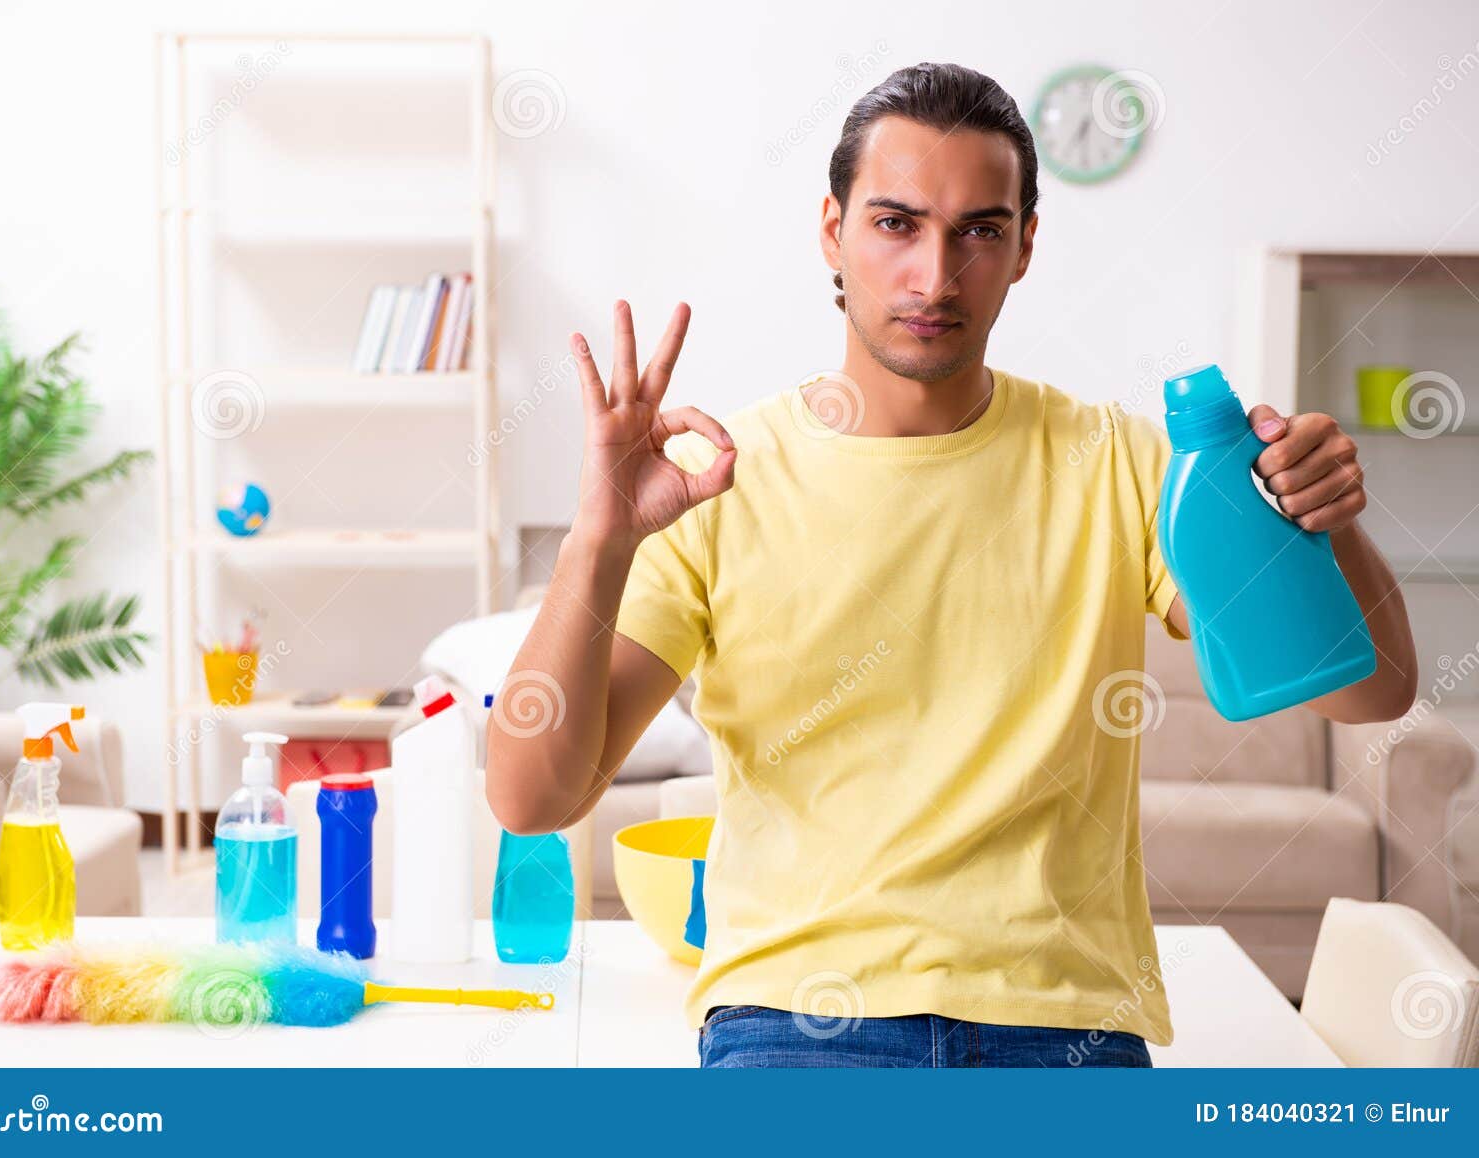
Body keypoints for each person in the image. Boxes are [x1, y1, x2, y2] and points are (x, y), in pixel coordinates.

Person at [484, 62, 1418, 1068]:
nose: (934, 276)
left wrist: (1326, 524)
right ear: (831, 229)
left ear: (1022, 248)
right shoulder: (718, 486)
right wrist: (598, 541)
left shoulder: (1119, 463)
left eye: (977, 230)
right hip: (795, 1027)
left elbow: (1375, 694)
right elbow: (532, 799)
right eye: (895, 224)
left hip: (1068, 1032)